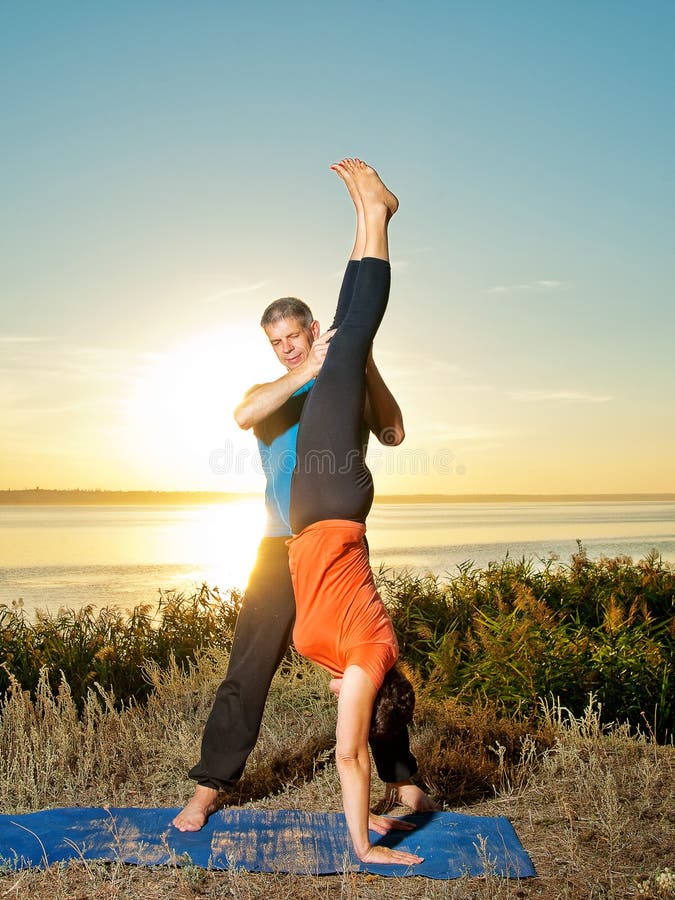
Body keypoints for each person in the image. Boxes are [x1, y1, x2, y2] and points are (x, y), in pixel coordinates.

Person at [173, 158, 434, 834]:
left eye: (295, 337)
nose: (287, 348)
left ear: (312, 329)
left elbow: (395, 430)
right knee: (248, 668)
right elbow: (242, 413)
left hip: (334, 539)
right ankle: (208, 787)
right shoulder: (272, 395)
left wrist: (359, 360)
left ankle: (401, 777)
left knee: (365, 667)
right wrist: (306, 373)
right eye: (277, 342)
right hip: (276, 547)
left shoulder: (337, 384)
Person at [287, 157, 424, 866]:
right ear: (374, 696)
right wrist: (363, 846)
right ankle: (376, 215)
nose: (339, 695)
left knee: (338, 344)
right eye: (354, 699)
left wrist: (405, 797)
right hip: (335, 499)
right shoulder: (369, 654)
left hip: (311, 507)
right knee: (342, 356)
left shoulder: (329, 652)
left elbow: (357, 741)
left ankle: (367, 218)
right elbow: (348, 756)